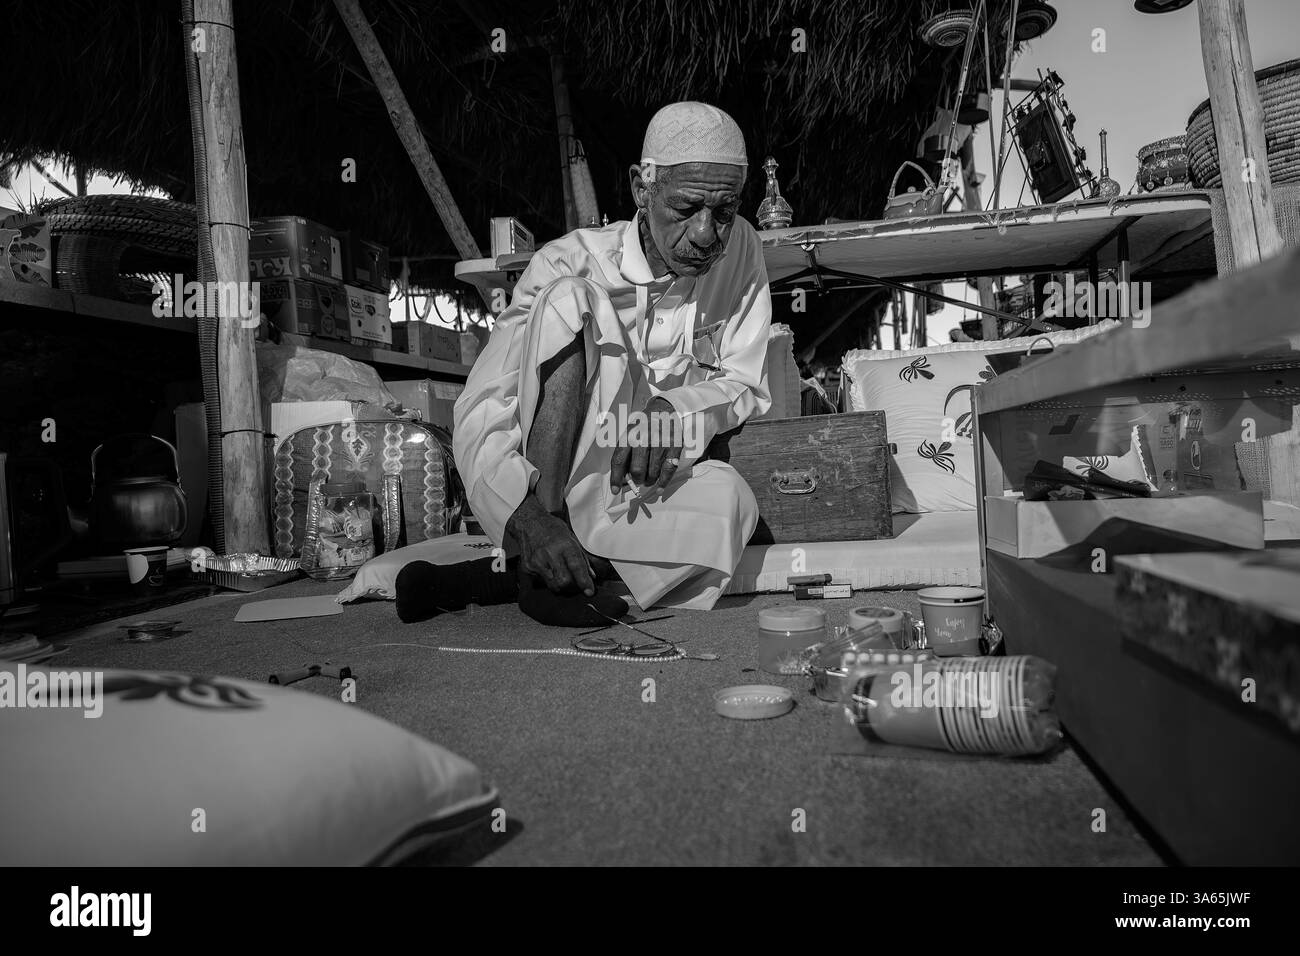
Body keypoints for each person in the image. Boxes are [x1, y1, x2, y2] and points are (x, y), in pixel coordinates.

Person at [396, 102, 772, 626]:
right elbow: (486, 402)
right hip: (559, 479)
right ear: (643, 189)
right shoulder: (568, 260)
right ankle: (545, 544)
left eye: (725, 212)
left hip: (649, 482)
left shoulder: (743, 248)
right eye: (687, 209)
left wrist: (674, 410)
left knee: (730, 498)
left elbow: (747, 381)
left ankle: (522, 575)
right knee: (571, 299)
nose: (708, 234)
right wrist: (526, 516)